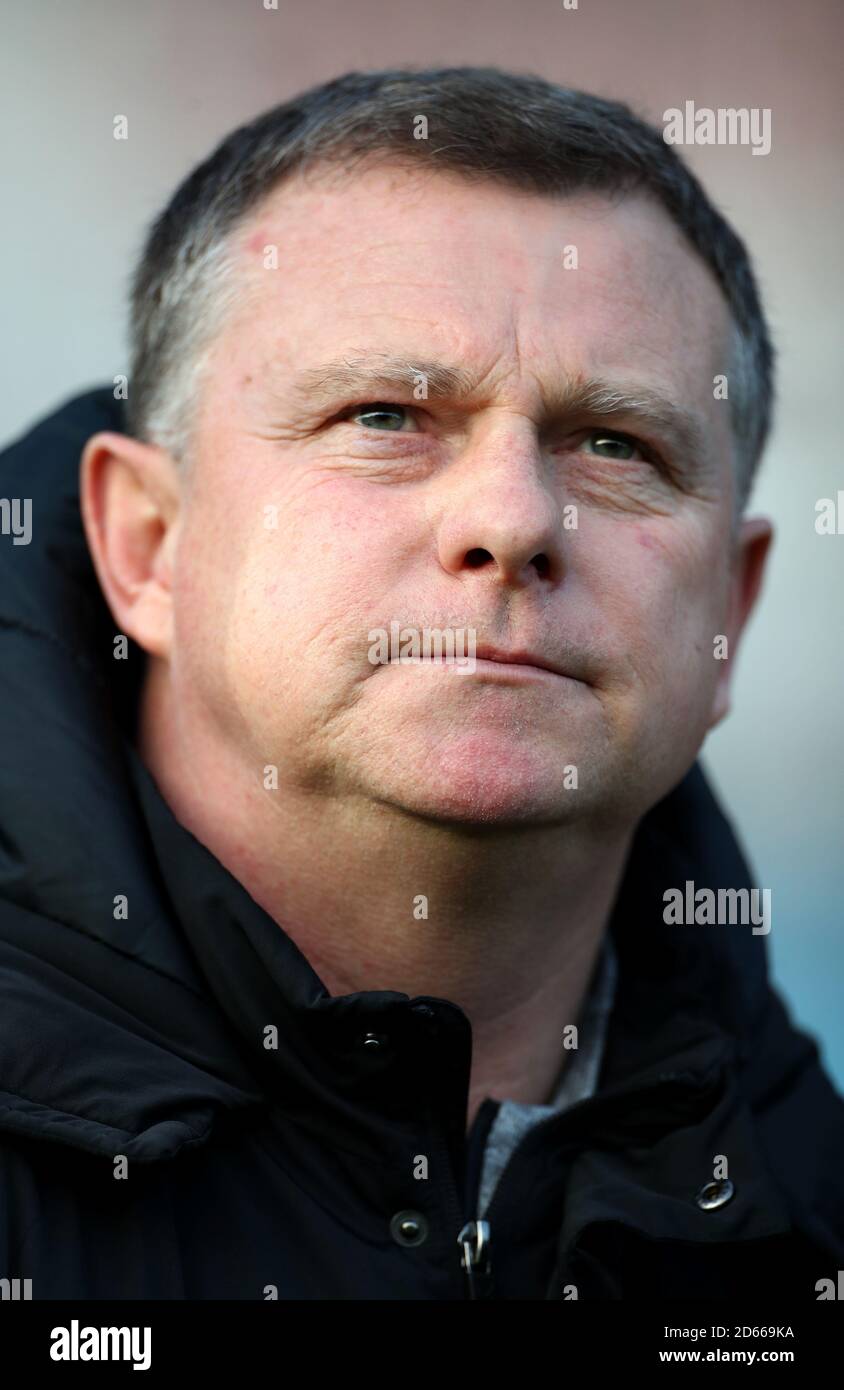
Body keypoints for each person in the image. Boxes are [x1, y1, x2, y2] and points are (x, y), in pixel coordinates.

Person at [0, 66, 841, 1301]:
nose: (510, 517)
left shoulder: (805, 1221)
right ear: (148, 546)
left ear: (728, 611)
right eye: (386, 416)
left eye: (616, 445)